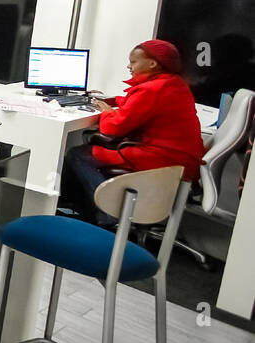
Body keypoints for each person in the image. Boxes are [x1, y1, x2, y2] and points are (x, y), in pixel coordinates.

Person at [63, 39, 206, 225]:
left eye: (134, 62)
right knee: (90, 147)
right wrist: (114, 101)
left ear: (153, 63)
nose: (129, 66)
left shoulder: (152, 90)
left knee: (78, 155)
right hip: (183, 160)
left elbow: (113, 128)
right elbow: (141, 105)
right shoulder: (174, 83)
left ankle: (107, 212)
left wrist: (106, 112)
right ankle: (89, 208)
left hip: (162, 158)